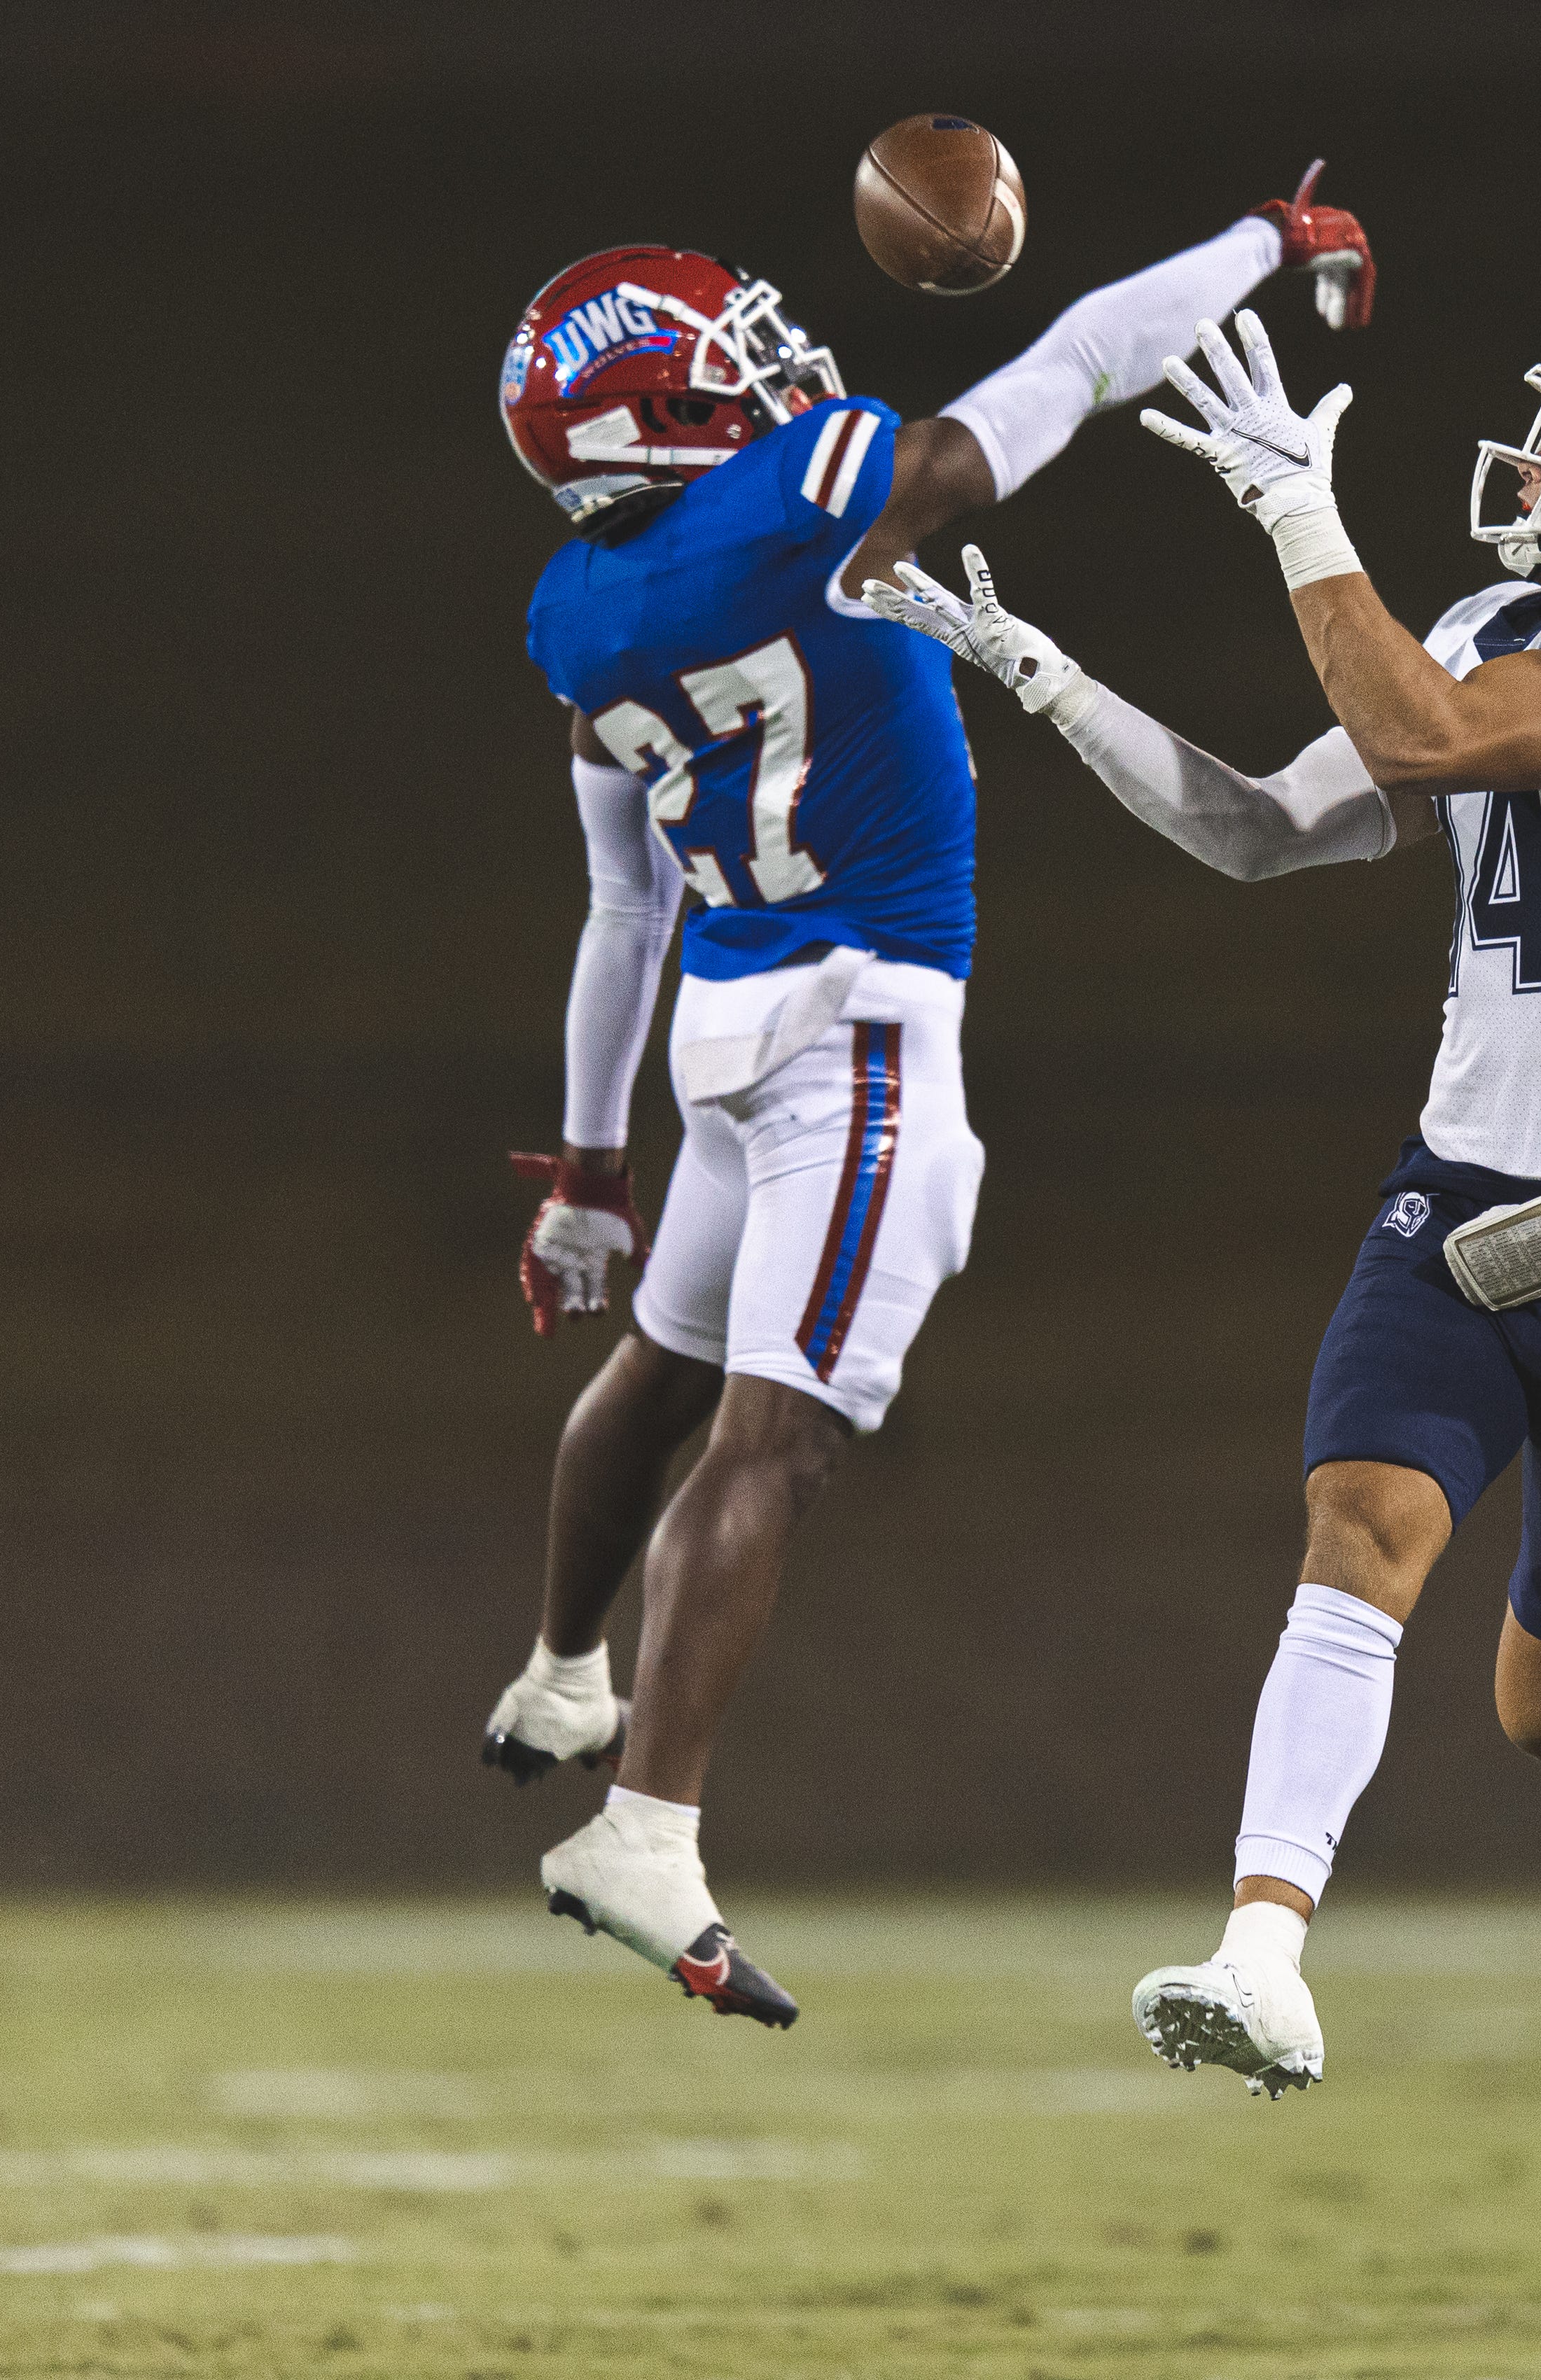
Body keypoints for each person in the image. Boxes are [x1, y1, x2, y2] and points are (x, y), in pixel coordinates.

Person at [872, 306, 1541, 2094]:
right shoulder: (1487, 626)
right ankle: (1263, 1952)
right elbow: (1262, 828)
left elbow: (1436, 740)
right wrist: (1045, 675)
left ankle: (1308, 1905)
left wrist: (1298, 516)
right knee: (1359, 1523)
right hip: (1458, 1190)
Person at [475, 177, 1375, 2029]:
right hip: (857, 1027)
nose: (774, 368)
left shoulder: (576, 609)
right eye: (727, 359)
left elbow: (622, 903)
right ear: (663, 415)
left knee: (659, 1369)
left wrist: (586, 1165)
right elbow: (1071, 368)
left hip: (723, 1023)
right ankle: (643, 1825)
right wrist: (1257, 249)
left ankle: (562, 1671)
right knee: (775, 1439)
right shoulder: (793, 497)